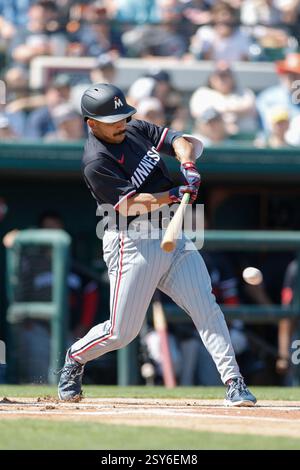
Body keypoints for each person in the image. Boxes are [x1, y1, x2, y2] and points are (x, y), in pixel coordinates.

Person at [57, 83, 257, 407]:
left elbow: (178, 140)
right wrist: (177, 193)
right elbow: (130, 205)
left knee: (206, 306)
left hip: (172, 234)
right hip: (131, 241)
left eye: (123, 115)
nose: (122, 123)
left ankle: (234, 381)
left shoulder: (134, 128)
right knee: (122, 332)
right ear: (92, 123)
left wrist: (188, 166)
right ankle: (76, 357)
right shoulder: (96, 161)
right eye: (113, 120)